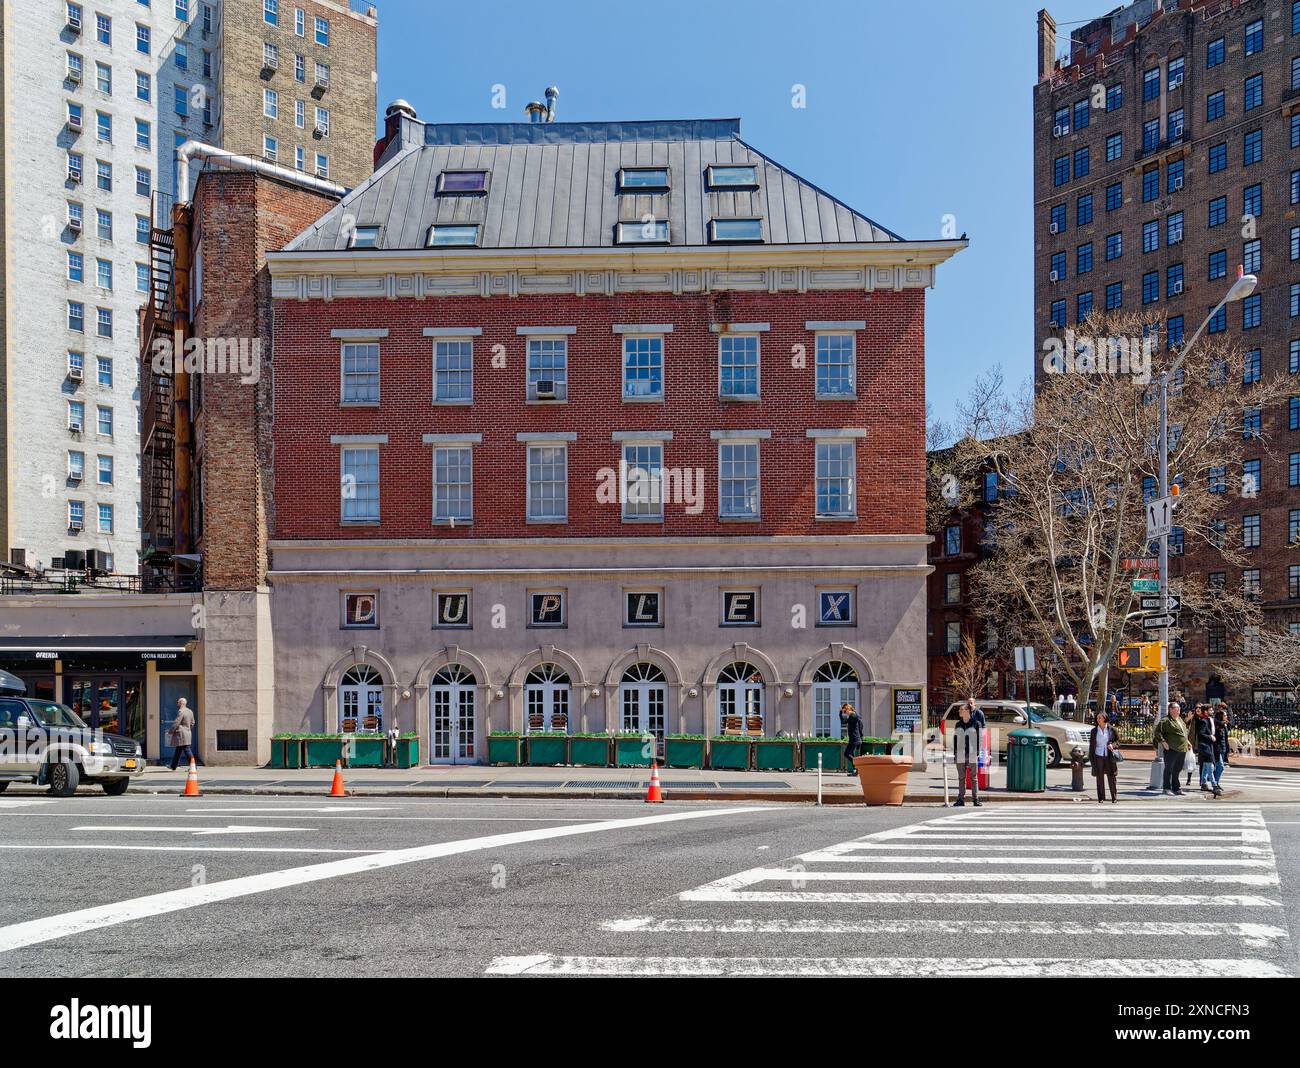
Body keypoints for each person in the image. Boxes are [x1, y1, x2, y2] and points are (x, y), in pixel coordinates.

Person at [1154, 702, 1189, 795]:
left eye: (1179, 709)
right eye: (1177, 708)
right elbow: (1157, 732)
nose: (1179, 710)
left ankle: (1176, 788)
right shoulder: (1166, 721)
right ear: (1171, 710)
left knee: (1177, 769)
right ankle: (1166, 788)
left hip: (1182, 748)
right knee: (1169, 768)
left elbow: (1183, 732)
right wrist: (1163, 742)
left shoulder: (1180, 720)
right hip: (1172, 748)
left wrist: (1187, 741)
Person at [952, 702, 982, 807]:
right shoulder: (958, 724)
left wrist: (977, 752)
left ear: (967, 711)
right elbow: (955, 739)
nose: (959, 711)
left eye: (961, 709)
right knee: (961, 777)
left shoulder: (976, 724)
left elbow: (979, 739)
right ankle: (961, 799)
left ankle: (976, 799)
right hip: (960, 753)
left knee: (973, 777)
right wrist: (955, 753)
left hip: (972, 753)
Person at [1190, 704, 1222, 797]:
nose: (1212, 711)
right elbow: (1200, 734)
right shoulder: (1203, 721)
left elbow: (1219, 724)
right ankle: (1214, 785)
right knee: (1210, 765)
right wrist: (1210, 736)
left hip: (1209, 745)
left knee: (1204, 765)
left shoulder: (1210, 719)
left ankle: (1204, 783)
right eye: (1210, 710)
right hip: (1204, 746)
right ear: (1206, 712)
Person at [1090, 709, 1120, 804]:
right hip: (1098, 756)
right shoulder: (1094, 731)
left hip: (1109, 756)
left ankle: (1114, 797)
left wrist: (1113, 745)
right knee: (1099, 777)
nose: (1098, 719)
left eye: (1100, 717)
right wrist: (1091, 759)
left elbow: (1118, 742)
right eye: (1097, 718)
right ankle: (1101, 797)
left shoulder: (1112, 729)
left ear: (1105, 718)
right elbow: (1092, 745)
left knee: (1111, 777)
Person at [167, 697, 196, 772]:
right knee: (178, 749)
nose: (177, 703)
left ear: (181, 703)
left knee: (186, 749)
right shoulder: (190, 711)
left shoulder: (181, 711)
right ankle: (173, 766)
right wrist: (188, 729)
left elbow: (177, 722)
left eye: (178, 702)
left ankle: (193, 766)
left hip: (181, 734)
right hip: (187, 733)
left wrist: (170, 731)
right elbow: (193, 723)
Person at [841, 702, 863, 777]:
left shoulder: (853, 715)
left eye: (845, 711)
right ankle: (856, 770)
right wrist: (840, 712)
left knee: (847, 754)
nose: (845, 713)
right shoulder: (851, 716)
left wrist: (850, 712)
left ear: (847, 709)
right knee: (851, 754)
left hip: (855, 739)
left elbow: (857, 718)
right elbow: (843, 721)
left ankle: (858, 767)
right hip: (853, 739)